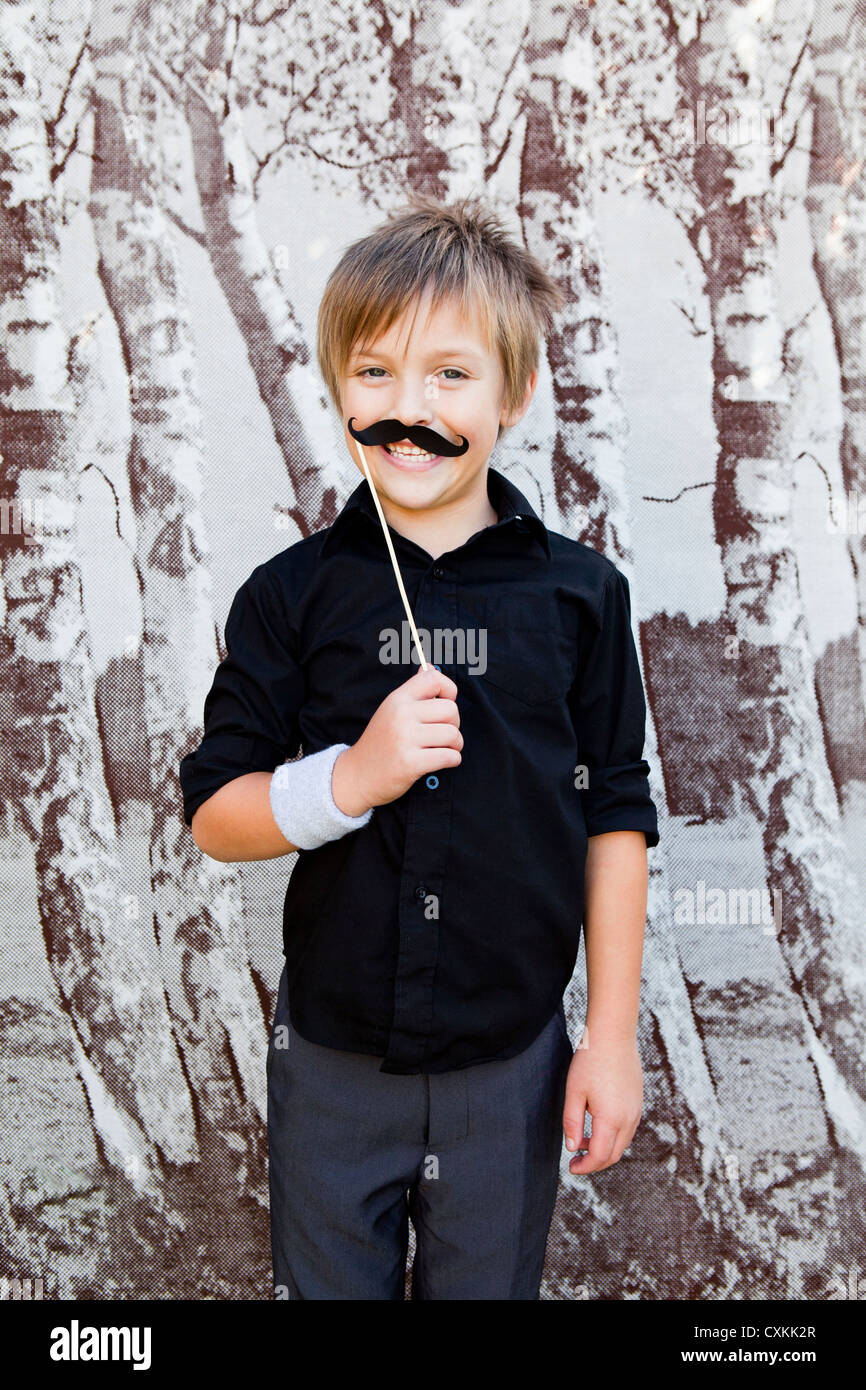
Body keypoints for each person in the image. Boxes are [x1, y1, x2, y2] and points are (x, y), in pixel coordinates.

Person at [178, 191, 660, 1300]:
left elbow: (615, 813)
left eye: (450, 374)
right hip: (335, 1058)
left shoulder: (578, 596)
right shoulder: (292, 595)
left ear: (516, 392)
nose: (410, 408)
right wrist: (350, 778)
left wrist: (610, 1036)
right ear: (338, 387)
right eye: (377, 373)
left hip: (511, 1062)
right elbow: (215, 814)